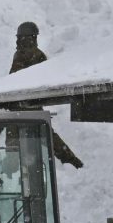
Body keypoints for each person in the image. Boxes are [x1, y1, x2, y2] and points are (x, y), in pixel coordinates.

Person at [8, 21, 84, 169]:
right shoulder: (39, 54)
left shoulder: (21, 54)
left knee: (13, 140)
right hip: (33, 105)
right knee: (46, 135)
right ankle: (69, 158)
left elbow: (14, 78)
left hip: (20, 106)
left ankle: (13, 168)